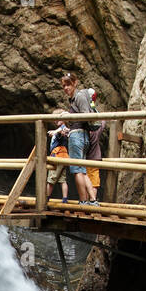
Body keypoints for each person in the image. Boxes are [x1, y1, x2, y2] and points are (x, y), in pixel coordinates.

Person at [57, 71, 98, 204]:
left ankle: (83, 201)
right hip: (80, 134)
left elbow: (85, 116)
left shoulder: (79, 96)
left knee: (77, 171)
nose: (66, 88)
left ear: (75, 83)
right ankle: (92, 200)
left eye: (68, 85)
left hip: (78, 136)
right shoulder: (75, 98)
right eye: (64, 86)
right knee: (82, 169)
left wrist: (67, 116)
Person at [46, 126, 69, 200]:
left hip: (57, 156)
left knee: (51, 180)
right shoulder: (65, 131)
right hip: (64, 157)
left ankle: (46, 199)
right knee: (63, 180)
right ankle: (64, 199)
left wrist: (55, 132)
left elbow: (60, 131)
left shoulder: (61, 131)